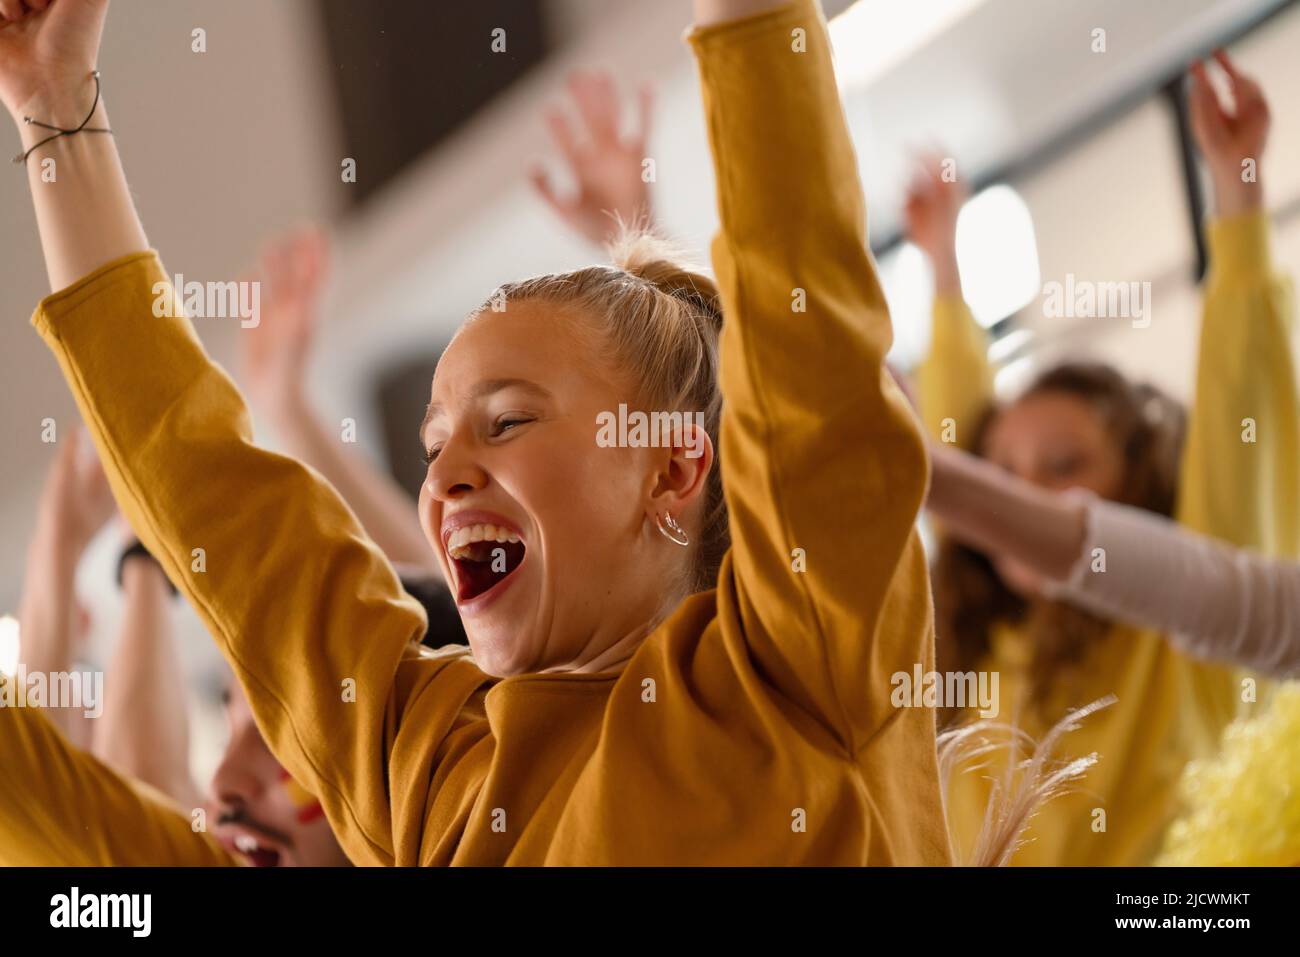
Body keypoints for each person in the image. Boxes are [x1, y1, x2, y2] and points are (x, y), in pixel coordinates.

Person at [3, 0, 949, 864]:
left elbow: (802, 319)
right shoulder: (435, 764)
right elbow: (206, 488)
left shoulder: (802, 662)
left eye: (506, 422)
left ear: (673, 463)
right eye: (432, 443)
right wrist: (53, 106)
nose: (446, 475)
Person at [908, 51, 1298, 865]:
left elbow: (1240, 421)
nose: (1026, 499)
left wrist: (1239, 194)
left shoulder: (1179, 640)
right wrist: (942, 267)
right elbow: (953, 468)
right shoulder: (982, 658)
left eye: (1064, 466)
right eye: (1007, 473)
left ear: (1137, 490)